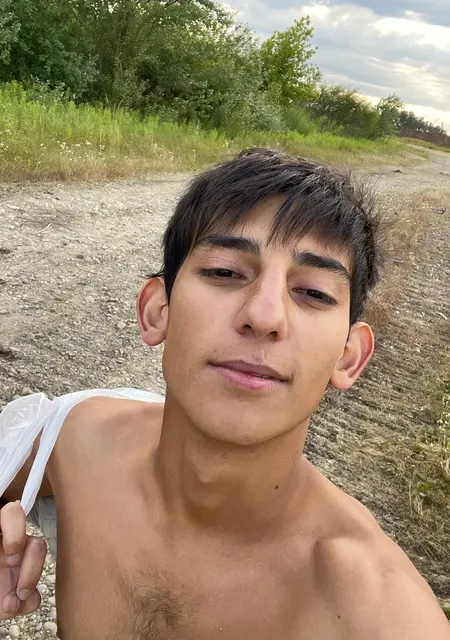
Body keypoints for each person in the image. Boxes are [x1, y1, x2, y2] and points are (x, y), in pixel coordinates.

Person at [1, 148, 449, 638]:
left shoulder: (382, 618)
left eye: (313, 293)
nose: (264, 316)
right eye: (224, 272)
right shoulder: (72, 439)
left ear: (348, 356)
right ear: (157, 310)